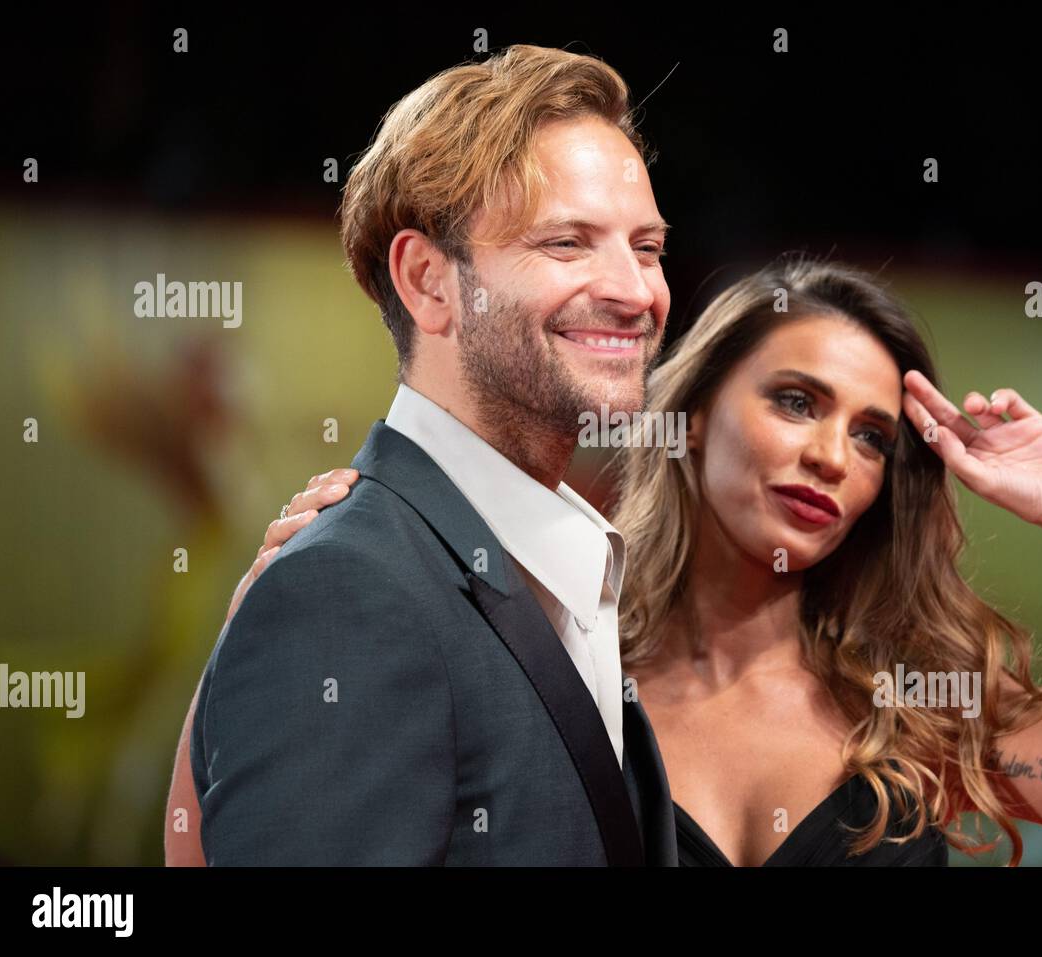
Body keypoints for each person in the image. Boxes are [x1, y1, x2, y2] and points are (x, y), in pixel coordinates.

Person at [174, 254, 1042, 867]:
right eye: (795, 401)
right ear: (692, 417)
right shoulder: (536, 664)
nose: (829, 455)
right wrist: (251, 632)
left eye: (870, 436)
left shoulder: (921, 716)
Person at [170, 44, 678, 865]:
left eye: (648, 247)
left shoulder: (563, 567)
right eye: (567, 243)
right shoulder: (345, 590)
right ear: (429, 281)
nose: (635, 291)